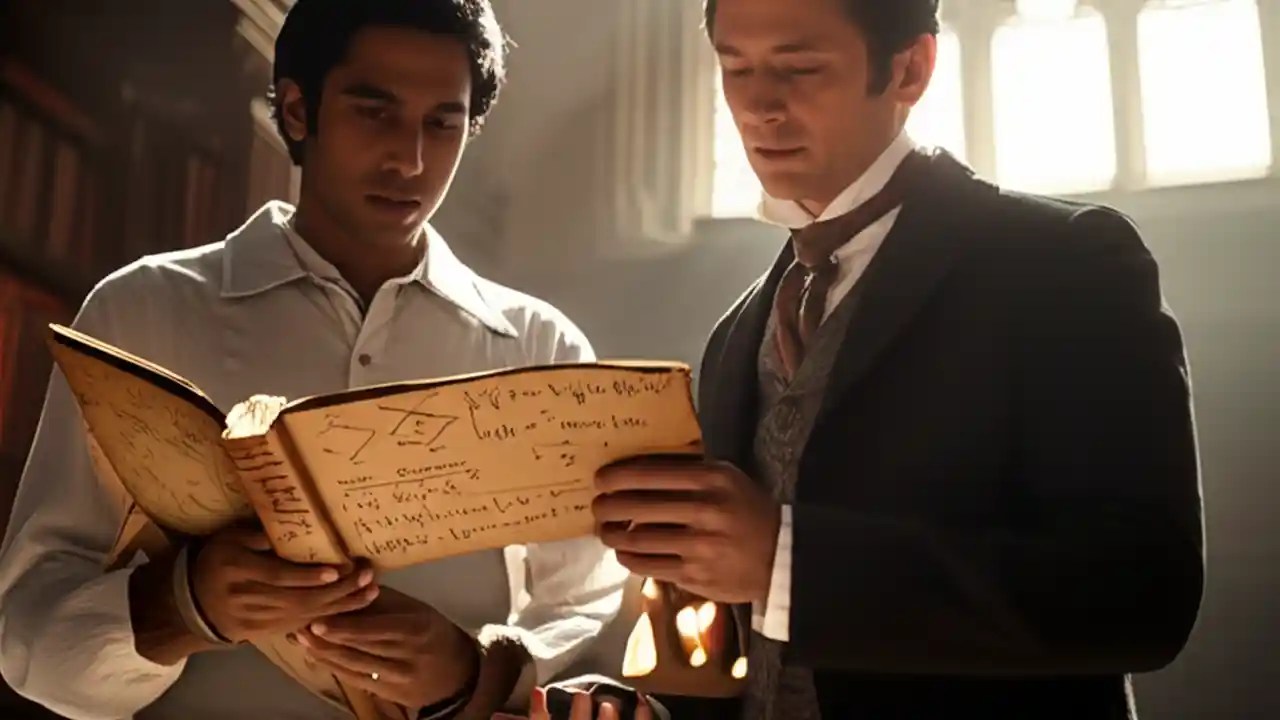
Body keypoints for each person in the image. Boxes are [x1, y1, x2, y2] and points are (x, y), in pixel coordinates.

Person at [0, 1, 629, 718]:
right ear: (298, 109)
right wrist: (184, 604)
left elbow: (597, 624)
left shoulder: (541, 352)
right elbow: (28, 631)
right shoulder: (143, 312)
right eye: (375, 111)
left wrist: (475, 670)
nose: (411, 160)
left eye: (443, 124)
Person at [591, 0, 1205, 718]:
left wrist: (785, 563)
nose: (758, 106)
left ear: (910, 68)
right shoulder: (738, 330)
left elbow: (1142, 596)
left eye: (799, 68)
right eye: (736, 67)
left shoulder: (1065, 263)